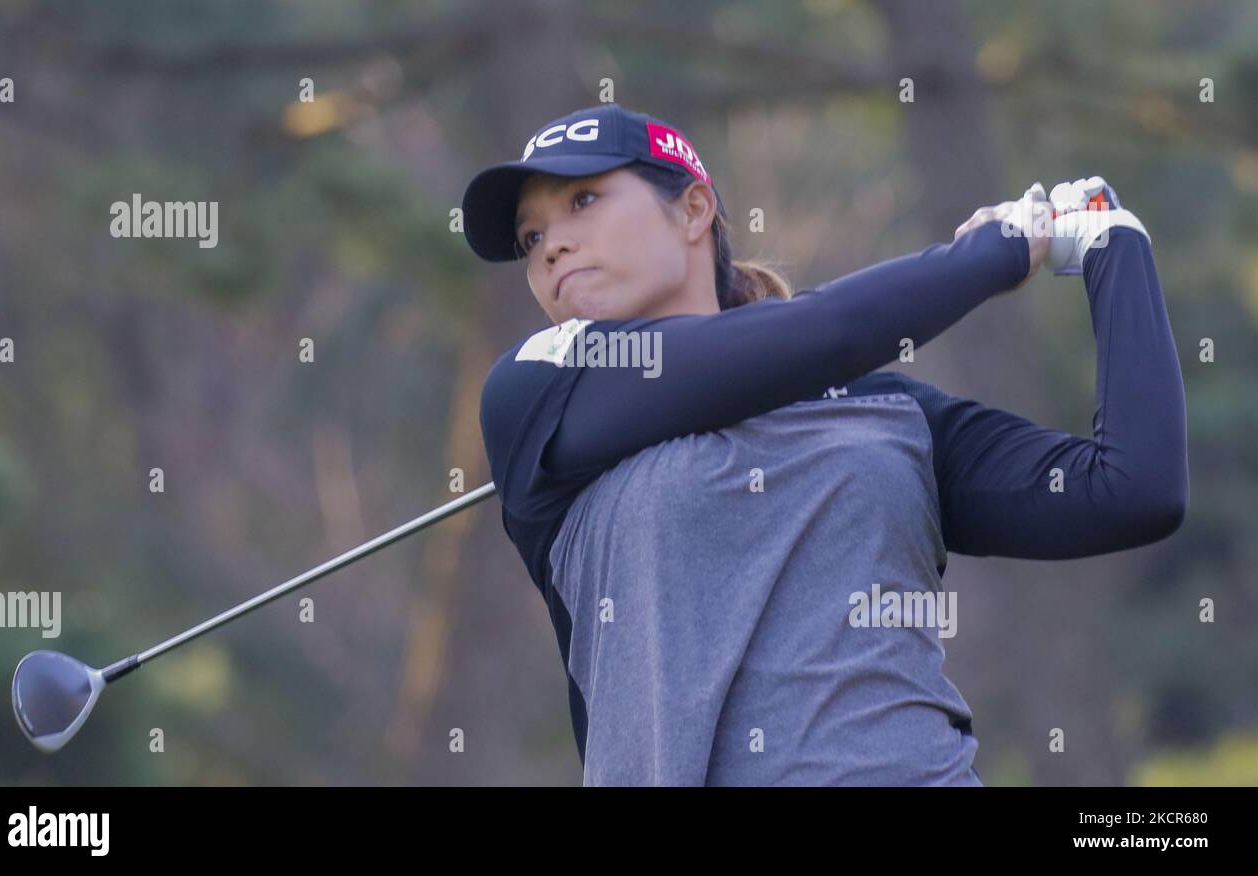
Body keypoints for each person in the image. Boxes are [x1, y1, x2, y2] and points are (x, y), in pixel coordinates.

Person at [461, 102, 1188, 785]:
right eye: (530, 237)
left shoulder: (886, 412)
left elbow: (1131, 491)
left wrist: (1112, 245)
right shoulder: (540, 386)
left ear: (692, 209)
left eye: (582, 201)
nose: (551, 244)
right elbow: (821, 333)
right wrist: (987, 256)